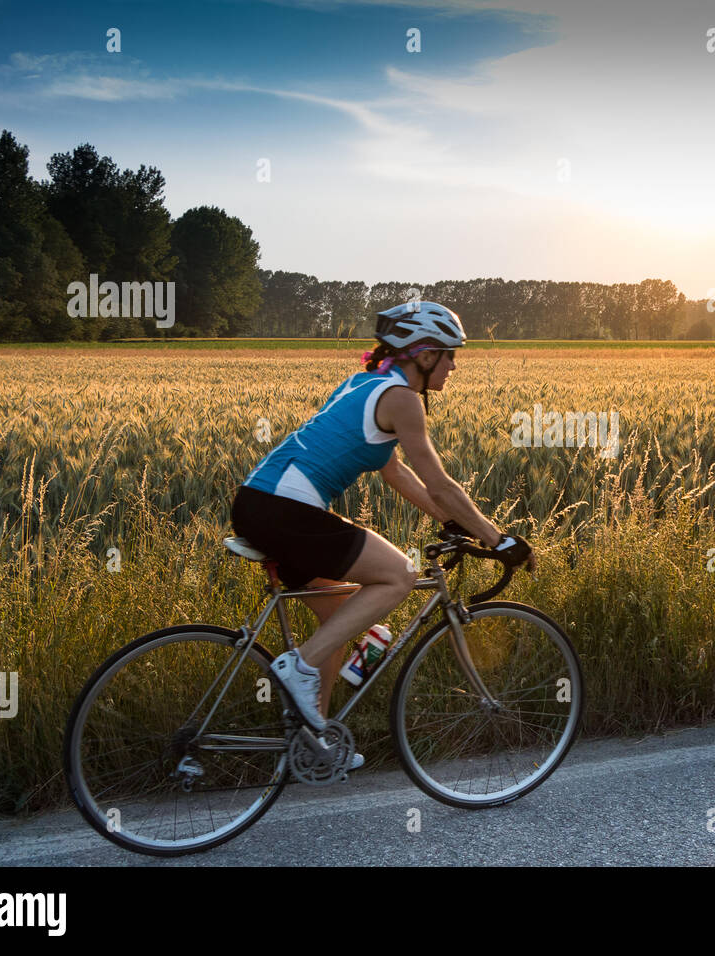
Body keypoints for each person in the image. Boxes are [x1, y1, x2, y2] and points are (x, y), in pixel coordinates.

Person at [229, 301, 535, 765]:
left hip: (259, 503)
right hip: (286, 511)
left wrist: (451, 523)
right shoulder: (402, 399)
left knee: (341, 628)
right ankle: (298, 666)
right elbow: (439, 482)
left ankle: (315, 747)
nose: (454, 365)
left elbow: (395, 472)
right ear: (423, 354)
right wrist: (498, 538)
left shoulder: (366, 385)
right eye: (449, 355)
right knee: (399, 575)